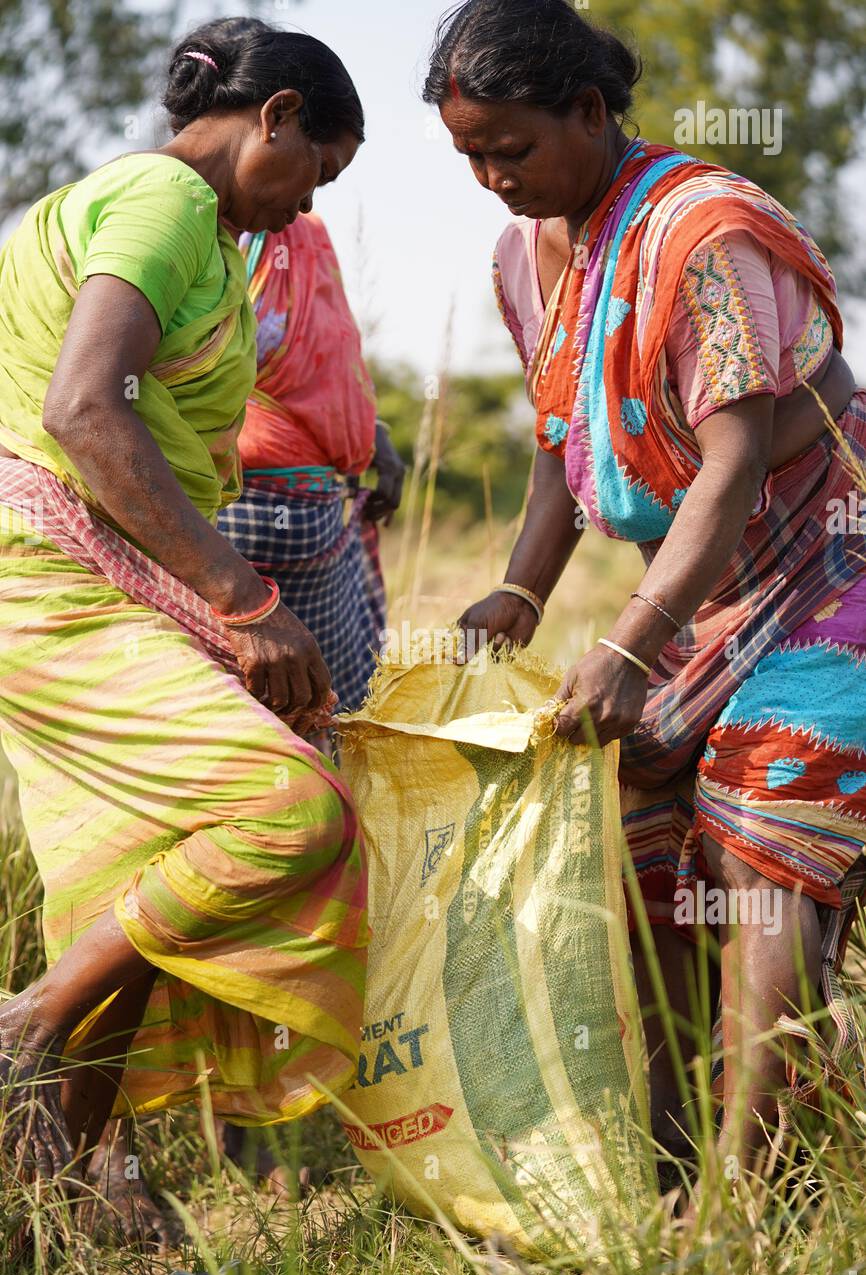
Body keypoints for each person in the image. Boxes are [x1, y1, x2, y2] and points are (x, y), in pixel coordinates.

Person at [424, 0, 866, 1181]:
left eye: (508, 149)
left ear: (586, 109)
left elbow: (727, 459)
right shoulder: (529, 257)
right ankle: (676, 1158)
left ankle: (745, 1189)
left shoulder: (698, 230)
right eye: (467, 156)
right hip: (704, 589)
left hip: (825, 560)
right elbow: (565, 438)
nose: (489, 180)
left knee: (758, 837)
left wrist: (626, 644)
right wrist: (521, 590)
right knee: (633, 831)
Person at [0, 17, 370, 1186]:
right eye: (319, 167)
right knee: (290, 809)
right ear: (276, 117)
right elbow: (83, 410)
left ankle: (61, 1194)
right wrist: (245, 600)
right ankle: (25, 1021)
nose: (309, 205)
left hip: (89, 575)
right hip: (53, 579)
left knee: (133, 880)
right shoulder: (164, 201)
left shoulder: (207, 234)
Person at [217, 212, 405, 725]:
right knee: (325, 711)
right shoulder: (221, 234)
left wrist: (373, 435)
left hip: (242, 511)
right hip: (259, 509)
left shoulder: (275, 234)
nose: (305, 198)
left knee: (240, 709)